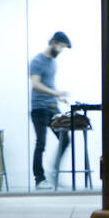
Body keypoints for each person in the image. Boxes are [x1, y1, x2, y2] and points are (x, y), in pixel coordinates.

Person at [29, 32, 72, 189]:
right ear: (53, 42)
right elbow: (36, 85)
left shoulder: (53, 63)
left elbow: (49, 84)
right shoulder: (37, 61)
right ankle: (39, 179)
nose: (61, 50)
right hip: (39, 108)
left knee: (65, 140)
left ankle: (55, 173)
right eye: (60, 46)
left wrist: (58, 96)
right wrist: (56, 93)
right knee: (41, 143)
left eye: (63, 48)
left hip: (53, 107)